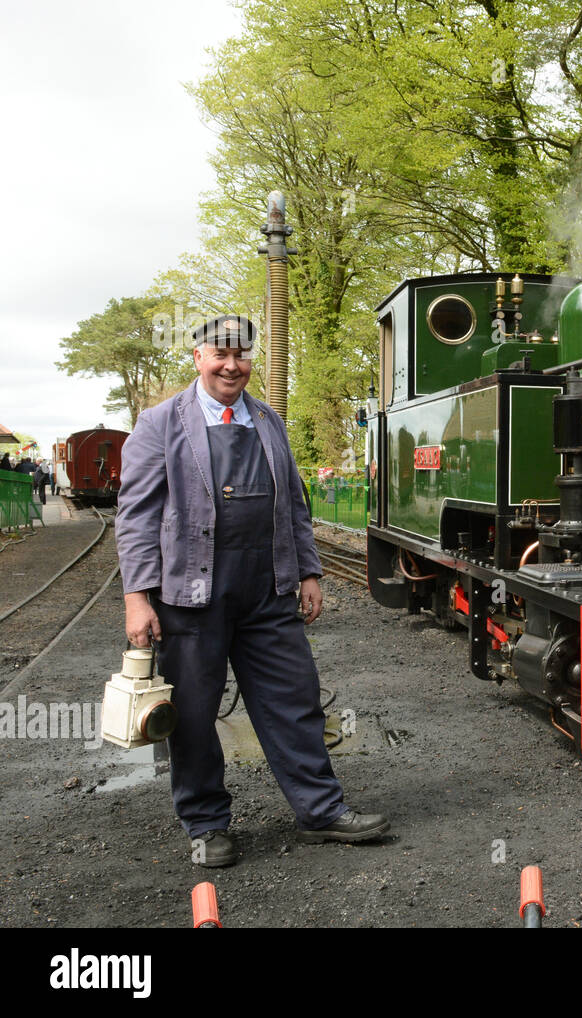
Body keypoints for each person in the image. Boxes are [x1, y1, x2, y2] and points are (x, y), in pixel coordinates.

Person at [115, 314, 388, 868]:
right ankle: (206, 823)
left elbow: (293, 504)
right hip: (190, 596)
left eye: (242, 355)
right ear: (197, 357)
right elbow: (137, 517)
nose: (232, 365)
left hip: (266, 590)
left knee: (294, 700)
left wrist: (308, 572)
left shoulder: (267, 420)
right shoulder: (160, 423)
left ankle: (320, 811)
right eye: (220, 354)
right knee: (192, 713)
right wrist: (137, 597)